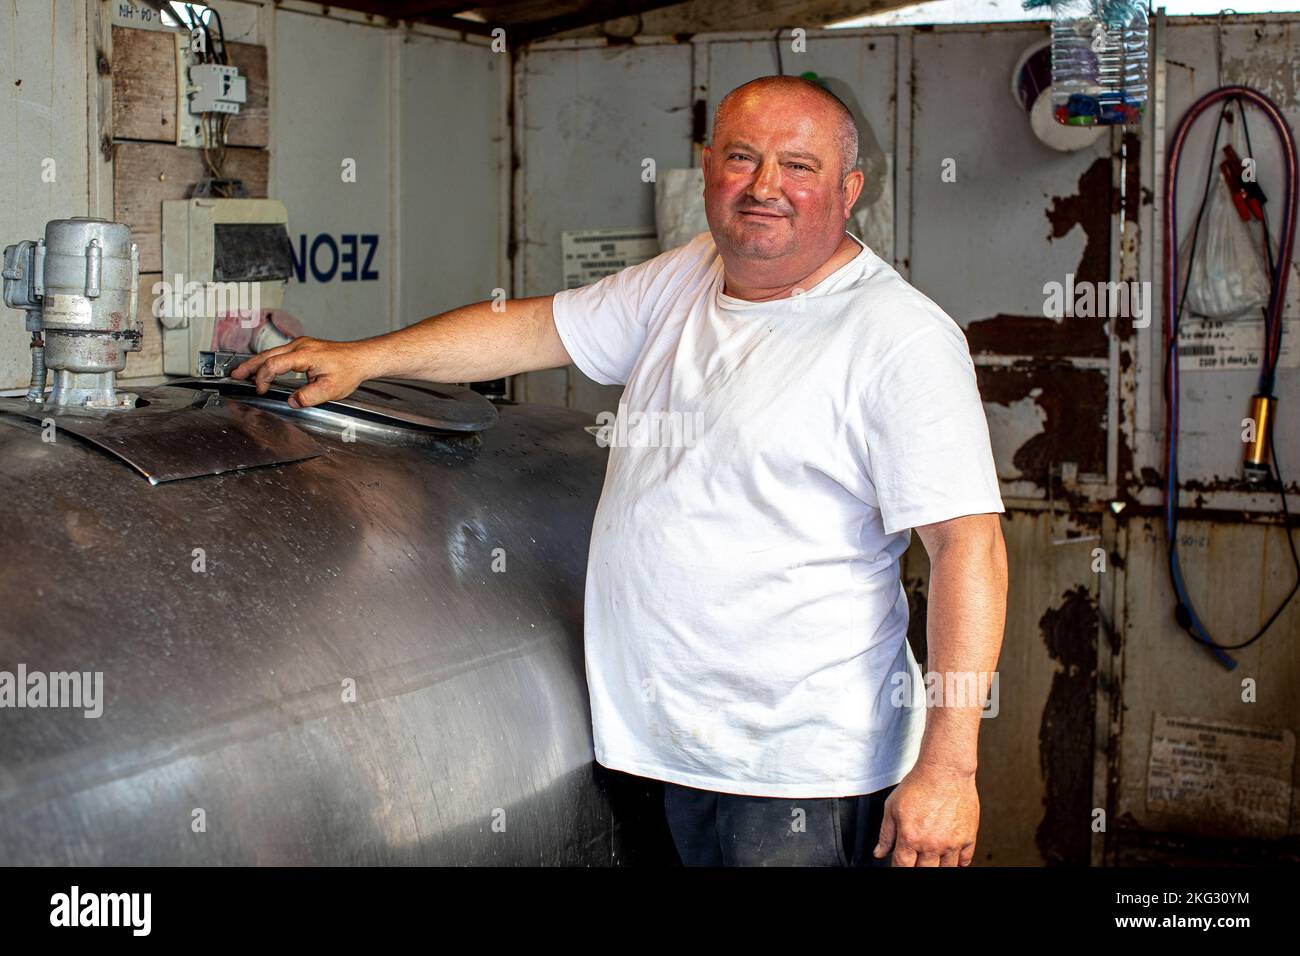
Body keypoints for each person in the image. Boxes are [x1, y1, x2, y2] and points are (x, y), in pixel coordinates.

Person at [233, 75, 1008, 868]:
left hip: (800, 774)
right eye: (742, 158)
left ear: (848, 190)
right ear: (708, 168)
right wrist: (368, 357)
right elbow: (533, 329)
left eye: (798, 166)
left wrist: (950, 766)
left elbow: (968, 551)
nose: (765, 187)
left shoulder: (899, 338)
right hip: (656, 752)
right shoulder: (688, 276)